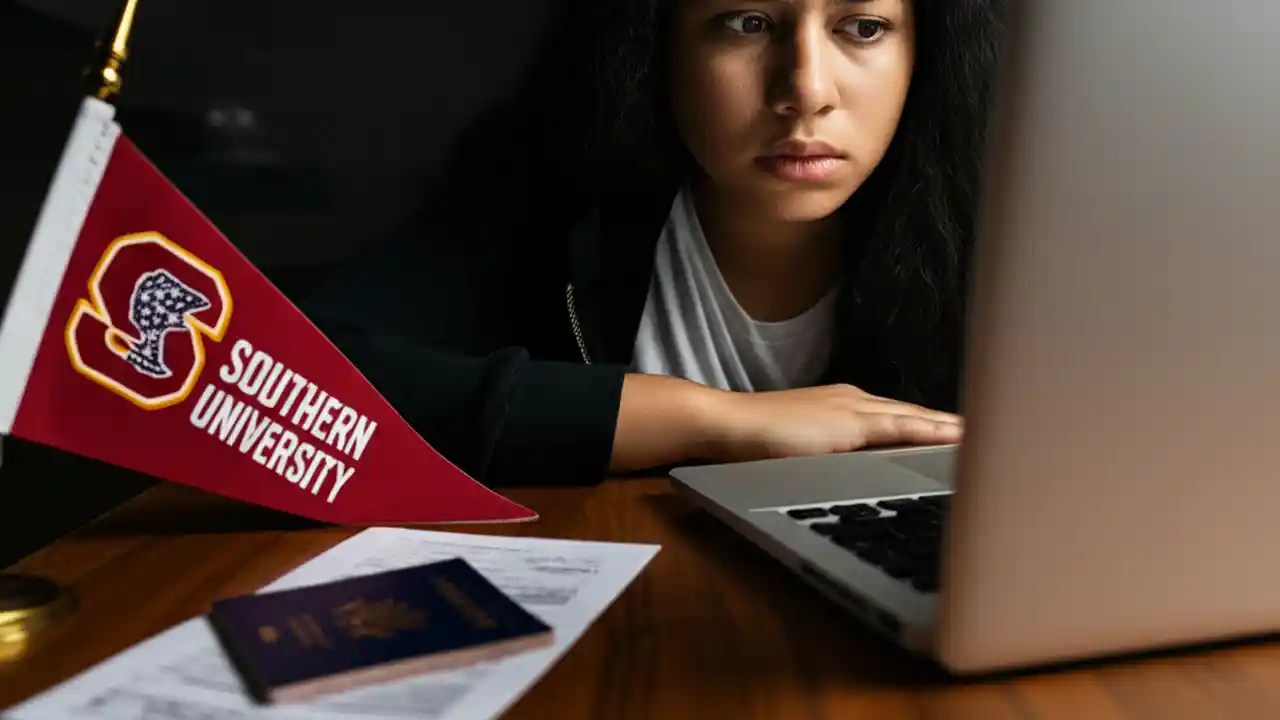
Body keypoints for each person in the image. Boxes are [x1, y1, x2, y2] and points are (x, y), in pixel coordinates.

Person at [303, 0, 1007, 486]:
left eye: (861, 27)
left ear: (924, 53)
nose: (805, 89)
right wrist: (712, 422)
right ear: (657, 40)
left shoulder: (1006, 225)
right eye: (748, 22)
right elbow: (286, 380)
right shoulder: (545, 189)